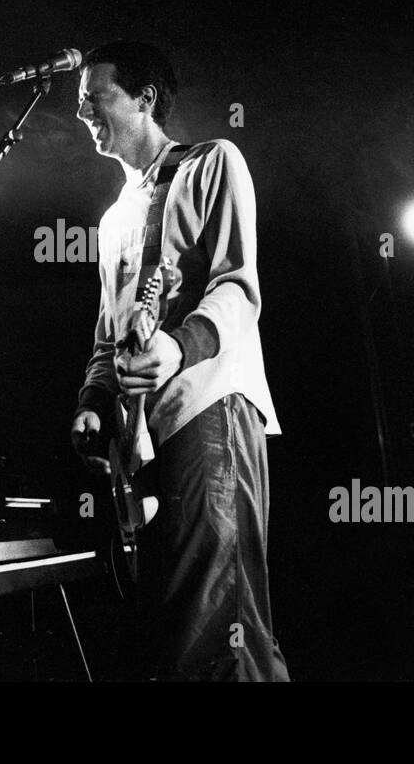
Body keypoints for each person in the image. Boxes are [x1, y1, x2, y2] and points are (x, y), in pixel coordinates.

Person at [69, 40, 290, 681]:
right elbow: (107, 338)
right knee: (173, 627)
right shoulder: (112, 221)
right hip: (144, 437)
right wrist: (92, 401)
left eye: (95, 95)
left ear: (144, 99)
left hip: (210, 406)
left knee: (223, 618)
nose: (82, 108)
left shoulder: (212, 163)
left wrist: (176, 345)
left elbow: (236, 288)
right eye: (78, 100)